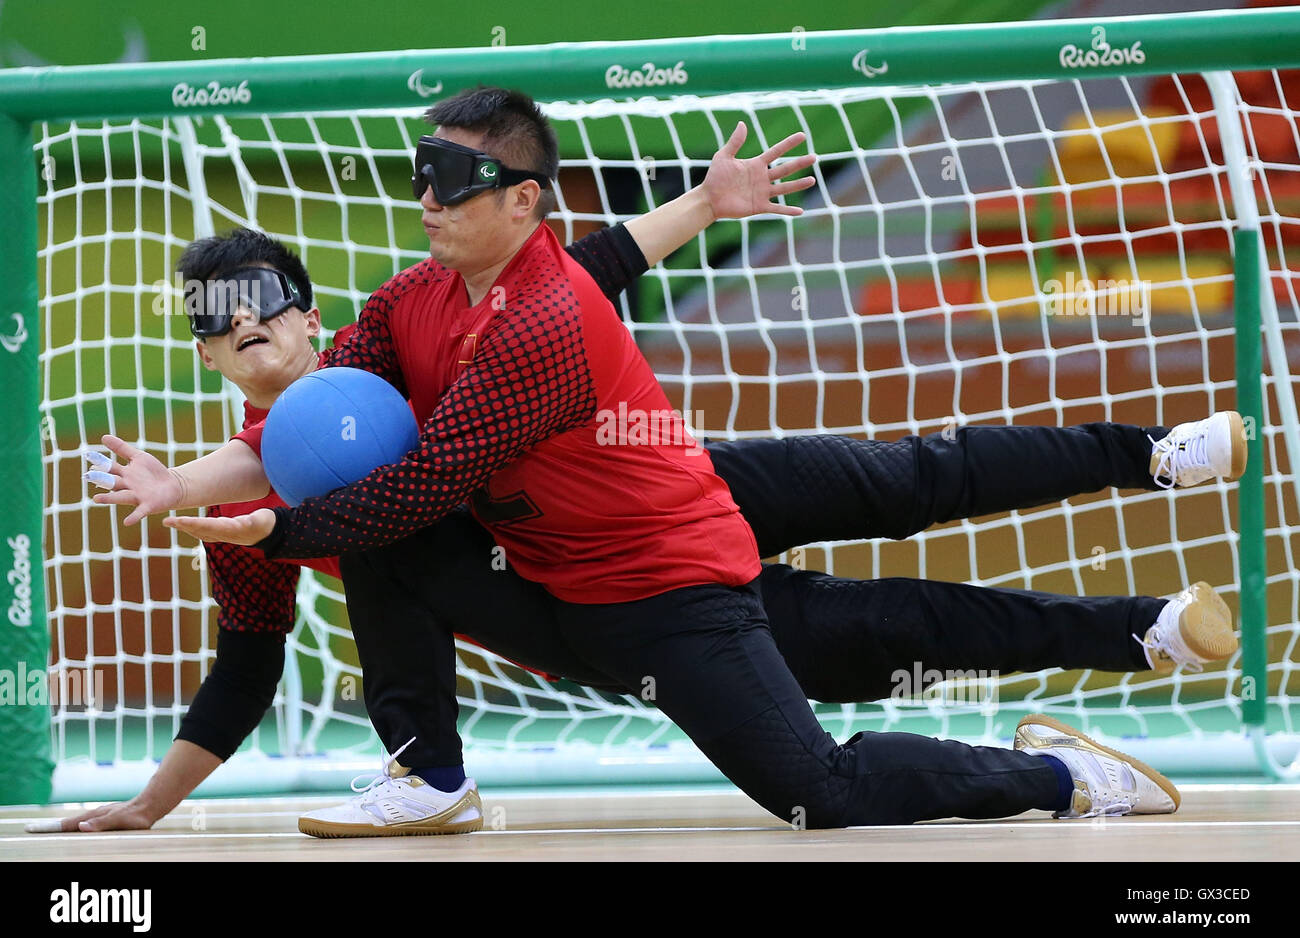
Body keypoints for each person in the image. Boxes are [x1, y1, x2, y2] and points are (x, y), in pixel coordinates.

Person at [64, 89, 1242, 835]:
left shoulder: (519, 330)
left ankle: (1151, 459)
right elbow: (261, 598)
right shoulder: (402, 315)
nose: (422, 195)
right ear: (208, 351)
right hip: (604, 598)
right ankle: (1086, 722)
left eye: (449, 178)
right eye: (219, 329)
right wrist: (179, 492)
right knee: (872, 663)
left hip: (679, 505)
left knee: (911, 483)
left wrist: (272, 523)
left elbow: (437, 457)